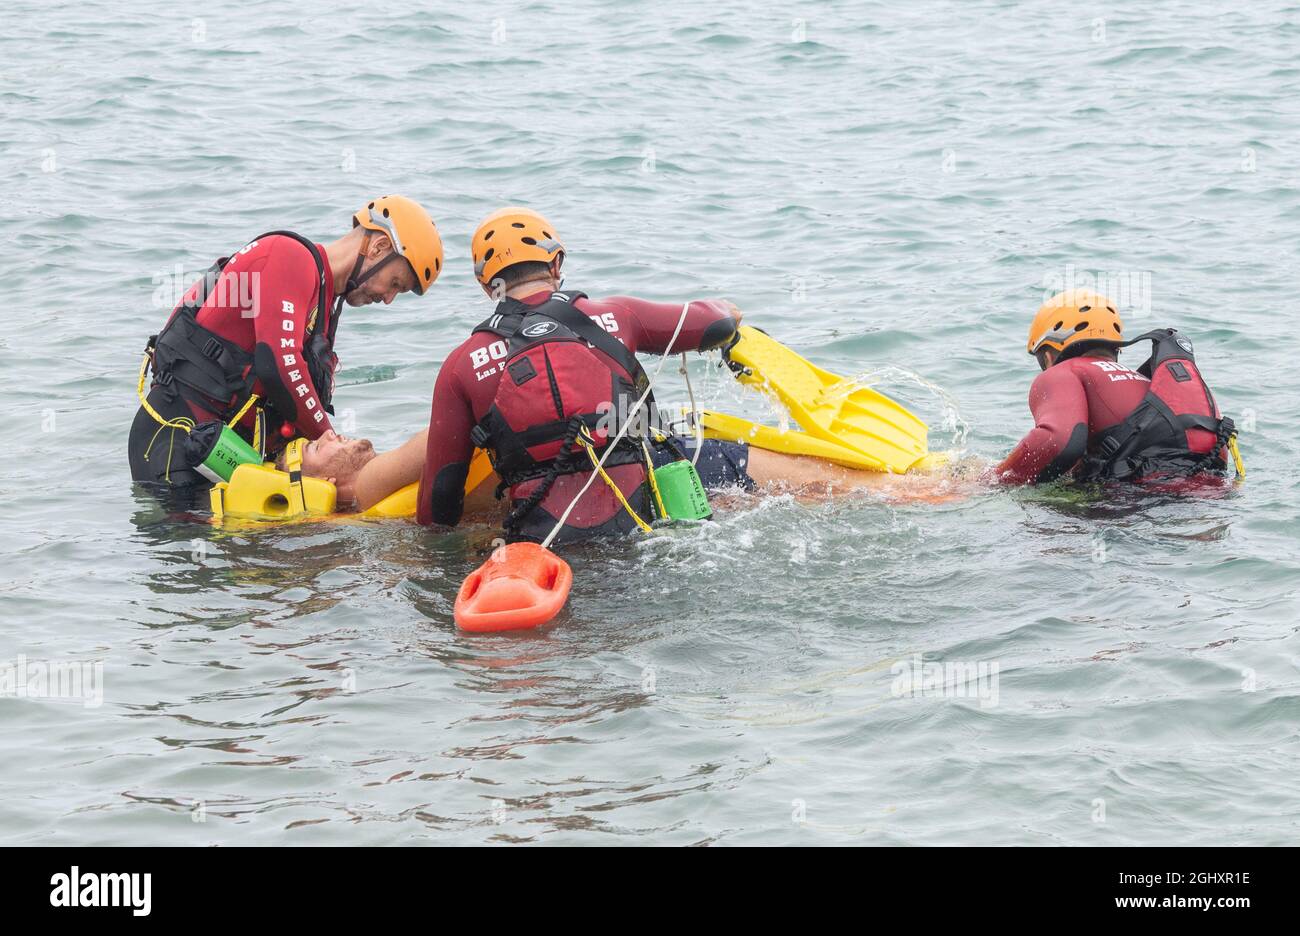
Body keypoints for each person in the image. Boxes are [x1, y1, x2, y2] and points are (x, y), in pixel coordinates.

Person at [414, 207, 745, 543]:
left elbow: (438, 508)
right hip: (638, 534)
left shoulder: (461, 366)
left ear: (487, 286)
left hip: (542, 547)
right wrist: (727, 310)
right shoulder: (619, 315)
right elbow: (716, 323)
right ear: (556, 264)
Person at [128, 195, 443, 492]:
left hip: (229, 457)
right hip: (178, 439)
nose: (388, 299)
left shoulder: (323, 306)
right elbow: (278, 365)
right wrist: (333, 445)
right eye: (395, 283)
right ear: (379, 246)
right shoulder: (288, 256)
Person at [996, 289, 1238, 485]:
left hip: (1140, 503)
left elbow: (1057, 441)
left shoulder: (1065, 372)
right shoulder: (1152, 385)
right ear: (1116, 348)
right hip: (1210, 499)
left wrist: (993, 479)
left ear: (1049, 354)